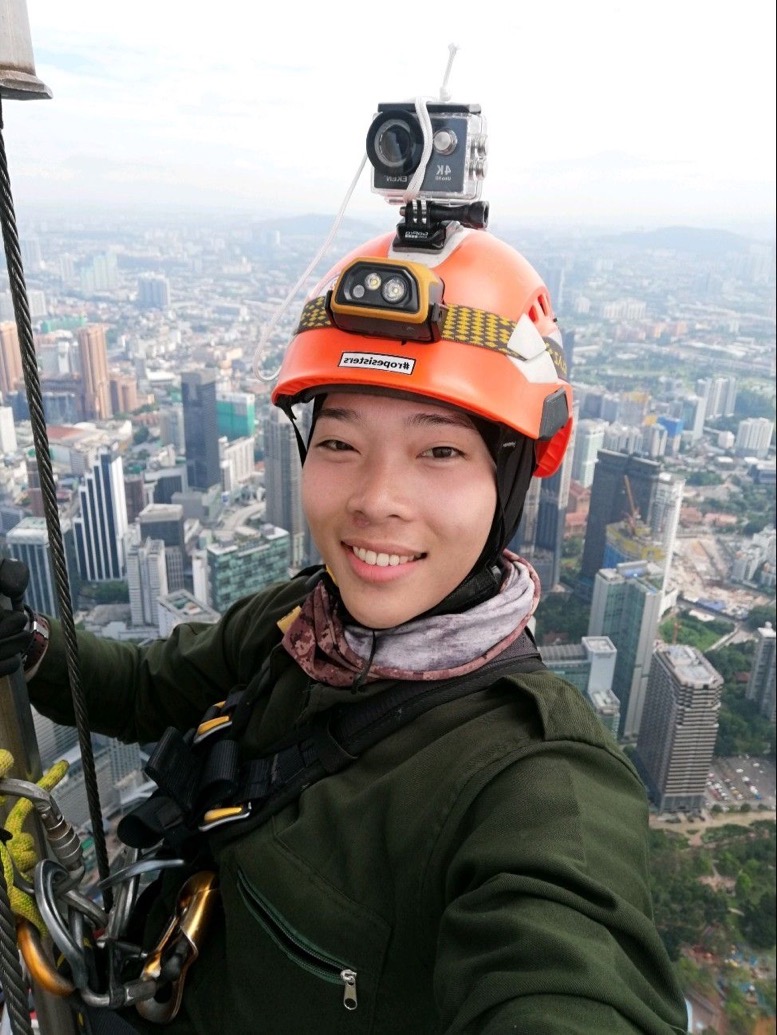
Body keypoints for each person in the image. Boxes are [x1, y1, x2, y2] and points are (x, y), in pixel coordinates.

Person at [1, 224, 688, 1033]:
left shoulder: (537, 779)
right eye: (339, 442)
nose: (375, 498)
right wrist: (27, 638)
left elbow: (566, 977)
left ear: (506, 480)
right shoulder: (298, 616)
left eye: (437, 451)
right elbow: (148, 686)